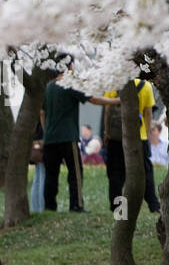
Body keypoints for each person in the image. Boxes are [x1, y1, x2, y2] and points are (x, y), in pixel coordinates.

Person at [42, 66, 119, 212]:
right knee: (75, 172)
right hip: (67, 136)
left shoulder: (48, 87)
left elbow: (41, 112)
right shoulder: (69, 84)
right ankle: (76, 205)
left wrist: (46, 131)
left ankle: (49, 206)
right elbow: (93, 99)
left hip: (50, 138)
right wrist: (116, 101)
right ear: (69, 68)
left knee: (51, 175)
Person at [102, 79, 162, 213]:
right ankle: (153, 205)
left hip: (116, 136)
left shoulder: (113, 83)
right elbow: (148, 112)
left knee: (116, 173)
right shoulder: (145, 85)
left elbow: (107, 110)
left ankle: (117, 208)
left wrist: (107, 132)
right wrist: (145, 134)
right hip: (138, 137)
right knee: (145, 172)